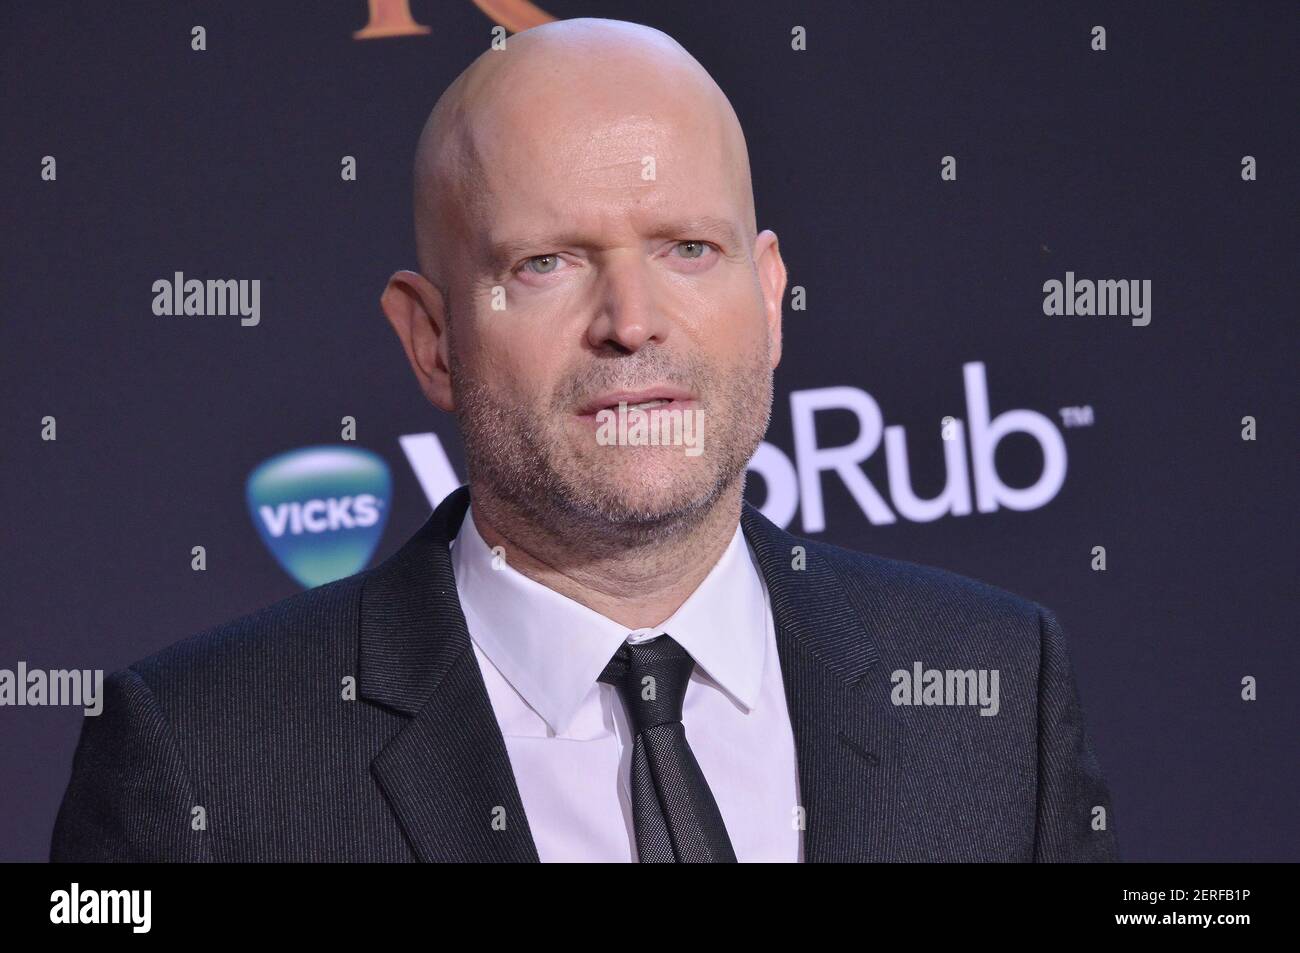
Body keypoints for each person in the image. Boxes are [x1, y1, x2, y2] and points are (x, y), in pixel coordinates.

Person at [51, 18, 1117, 863]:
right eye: (547, 263)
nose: (633, 319)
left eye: (689, 248)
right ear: (430, 338)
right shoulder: (202, 759)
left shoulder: (992, 687)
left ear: (772, 295)